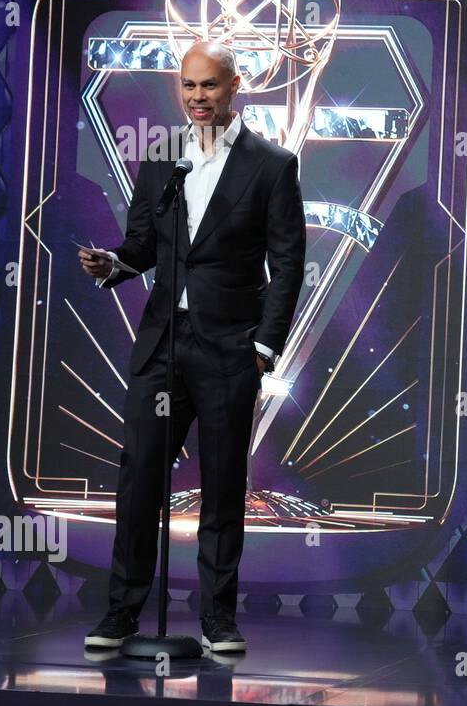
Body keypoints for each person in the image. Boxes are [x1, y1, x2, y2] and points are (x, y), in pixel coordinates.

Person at [79, 40, 307, 654]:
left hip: (231, 348)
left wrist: (264, 346)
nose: (197, 97)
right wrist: (112, 264)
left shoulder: (271, 164)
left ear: (235, 88)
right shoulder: (161, 160)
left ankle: (217, 620)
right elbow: (142, 245)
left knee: (224, 482)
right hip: (163, 346)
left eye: (209, 86)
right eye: (188, 86)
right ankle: (123, 612)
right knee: (140, 477)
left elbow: (288, 265)